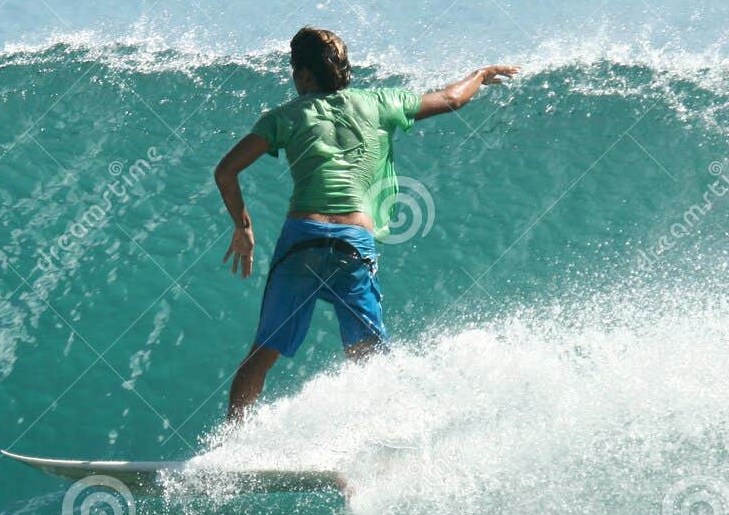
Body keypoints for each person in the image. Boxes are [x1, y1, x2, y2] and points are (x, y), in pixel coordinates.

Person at [214, 26, 517, 420]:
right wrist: (479, 74)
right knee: (369, 358)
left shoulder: (284, 117)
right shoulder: (379, 103)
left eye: (294, 70)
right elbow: (449, 100)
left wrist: (244, 228)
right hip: (352, 243)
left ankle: (232, 447)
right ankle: (376, 446)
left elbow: (225, 172)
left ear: (305, 75)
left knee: (263, 352)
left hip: (302, 240)